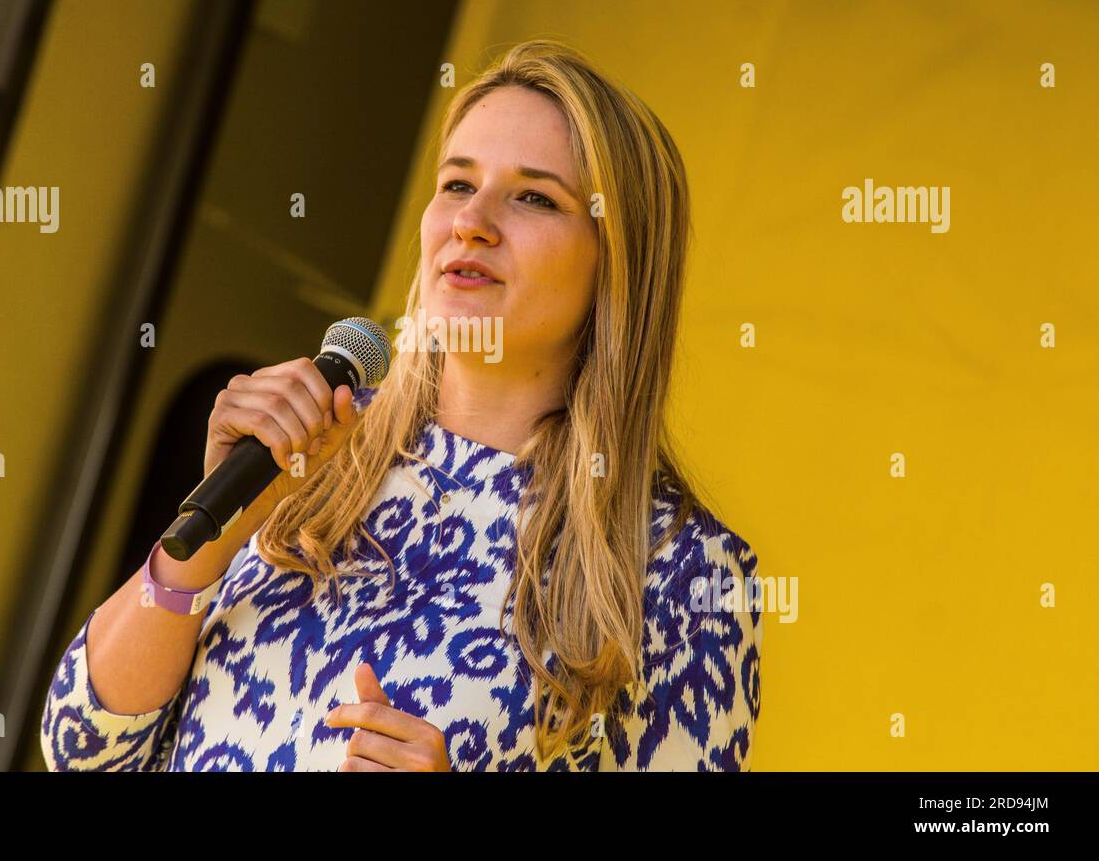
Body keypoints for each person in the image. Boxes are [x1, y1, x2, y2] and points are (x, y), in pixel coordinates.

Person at [41, 39, 762, 772]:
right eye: (456, 184)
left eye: (534, 197)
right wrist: (213, 532)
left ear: (619, 261)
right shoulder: (318, 440)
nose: (471, 222)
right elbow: (83, 747)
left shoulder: (685, 571)